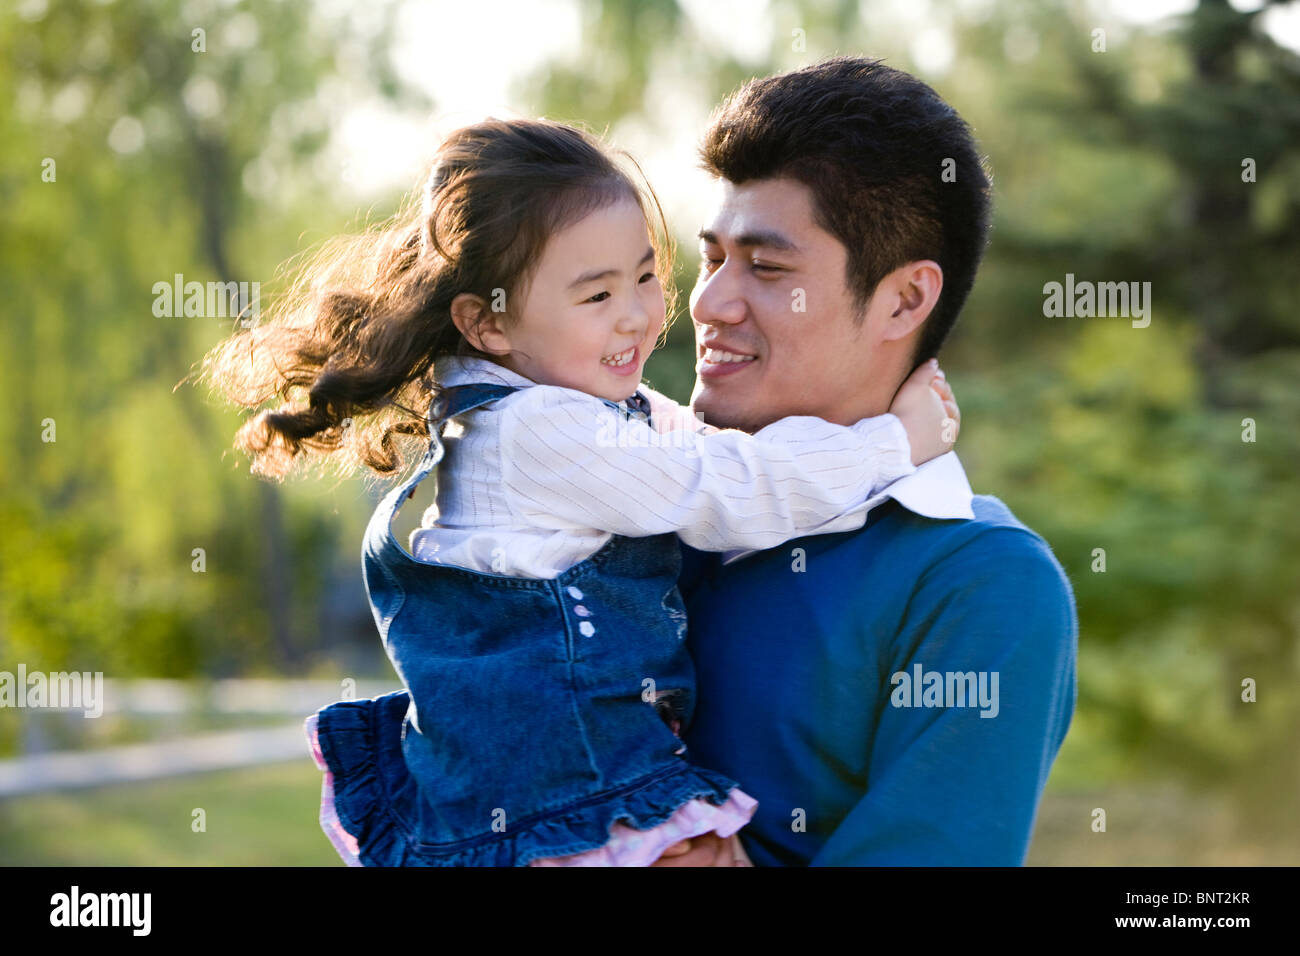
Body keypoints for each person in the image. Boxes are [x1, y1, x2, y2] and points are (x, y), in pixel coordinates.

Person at [199, 116, 960, 866]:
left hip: (570, 796)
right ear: (488, 325)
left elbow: (710, 454)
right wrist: (891, 443)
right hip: (574, 806)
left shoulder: (570, 412)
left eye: (645, 277)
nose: (638, 314)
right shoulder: (541, 431)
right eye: (596, 297)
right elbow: (732, 484)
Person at [651, 57, 1078, 867]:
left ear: (904, 300)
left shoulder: (978, 583)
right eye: (712, 258)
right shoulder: (642, 499)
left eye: (767, 267)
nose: (707, 304)